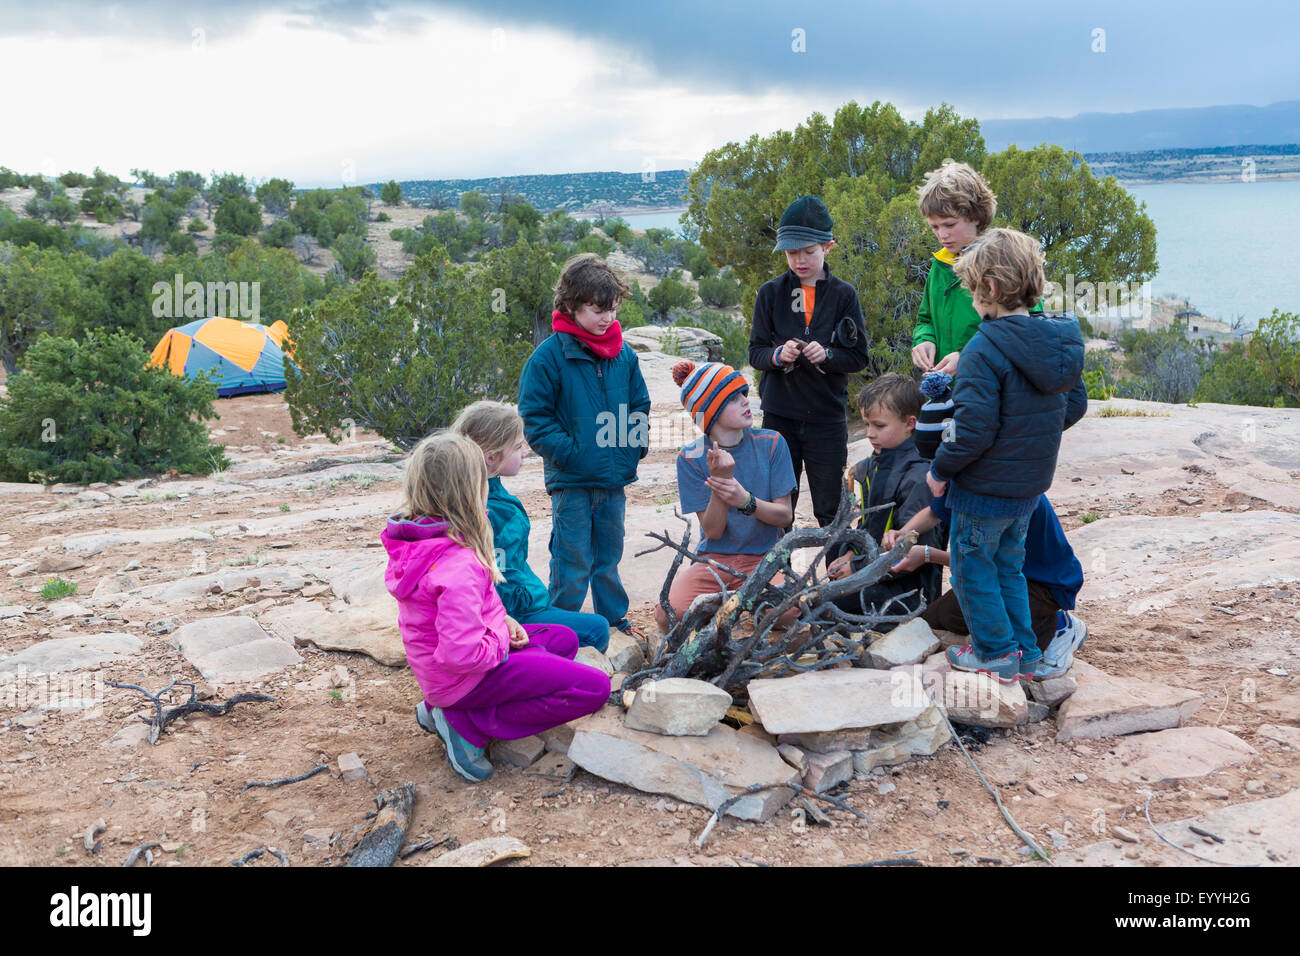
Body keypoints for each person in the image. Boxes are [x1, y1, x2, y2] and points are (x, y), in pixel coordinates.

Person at [381, 431, 609, 783]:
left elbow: (457, 613)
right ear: (471, 490)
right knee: (594, 688)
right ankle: (465, 723)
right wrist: (500, 639)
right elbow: (461, 654)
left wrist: (503, 618)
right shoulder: (457, 564)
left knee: (562, 639)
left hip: (454, 669)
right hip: (463, 677)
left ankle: (438, 708)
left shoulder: (428, 539)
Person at [925, 228, 1088, 682]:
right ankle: (1028, 654)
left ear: (991, 289)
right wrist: (1027, 438)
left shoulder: (984, 347)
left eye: (973, 291)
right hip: (1028, 489)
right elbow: (1074, 405)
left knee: (974, 569)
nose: (972, 301)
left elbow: (972, 430)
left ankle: (995, 653)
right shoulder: (1059, 340)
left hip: (983, 490)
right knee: (1010, 569)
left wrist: (940, 469)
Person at [518, 253, 651, 639]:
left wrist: (632, 448)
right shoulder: (548, 358)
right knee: (572, 558)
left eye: (611, 308)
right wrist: (573, 453)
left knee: (608, 555)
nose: (607, 318)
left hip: (613, 480)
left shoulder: (624, 355)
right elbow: (535, 419)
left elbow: (639, 405)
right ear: (571, 306)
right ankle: (560, 624)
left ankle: (613, 619)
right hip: (572, 482)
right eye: (596, 309)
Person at [747, 195, 869, 528]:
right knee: (777, 509)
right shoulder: (770, 294)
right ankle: (777, 579)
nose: (799, 260)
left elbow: (858, 357)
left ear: (828, 247)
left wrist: (827, 355)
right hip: (779, 417)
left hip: (826, 420)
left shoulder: (844, 295)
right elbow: (755, 351)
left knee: (831, 511)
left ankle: (836, 578)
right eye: (791, 253)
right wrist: (777, 355)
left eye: (808, 252)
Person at [452, 399, 611, 653]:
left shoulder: (480, 495)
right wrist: (514, 613)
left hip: (525, 606)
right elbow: (495, 575)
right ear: (491, 458)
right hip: (517, 615)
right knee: (598, 629)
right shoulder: (492, 511)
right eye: (517, 446)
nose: (525, 451)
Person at [655, 360, 798, 633]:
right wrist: (720, 479)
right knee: (668, 616)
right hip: (713, 561)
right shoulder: (691, 457)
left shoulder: (772, 443)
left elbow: (784, 516)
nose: (746, 401)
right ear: (710, 412)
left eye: (744, 393)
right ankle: (733, 605)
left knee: (788, 612)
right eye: (733, 398)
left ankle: (731, 606)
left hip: (763, 559)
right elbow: (713, 530)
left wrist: (745, 499)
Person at [883, 493, 1089, 672]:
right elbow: (935, 511)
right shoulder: (975, 479)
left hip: (1042, 583)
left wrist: (928, 554)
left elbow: (981, 563)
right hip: (1010, 575)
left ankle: (1057, 628)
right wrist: (904, 533)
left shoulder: (991, 496)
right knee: (939, 616)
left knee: (989, 630)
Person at [827, 374, 943, 625]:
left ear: (910, 423)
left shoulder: (919, 474)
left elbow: (911, 550)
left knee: (823, 607)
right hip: (873, 567)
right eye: (866, 424)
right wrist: (849, 554)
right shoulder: (874, 465)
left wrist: (858, 568)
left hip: (907, 589)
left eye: (879, 426)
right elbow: (869, 526)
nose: (869, 434)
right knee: (832, 555)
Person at [912, 160, 1042, 377]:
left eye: (950, 225)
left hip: (991, 388)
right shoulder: (940, 265)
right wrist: (925, 339)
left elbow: (1027, 331)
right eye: (934, 226)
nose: (941, 235)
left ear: (976, 217)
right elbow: (925, 319)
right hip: (949, 391)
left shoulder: (1003, 263)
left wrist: (967, 359)